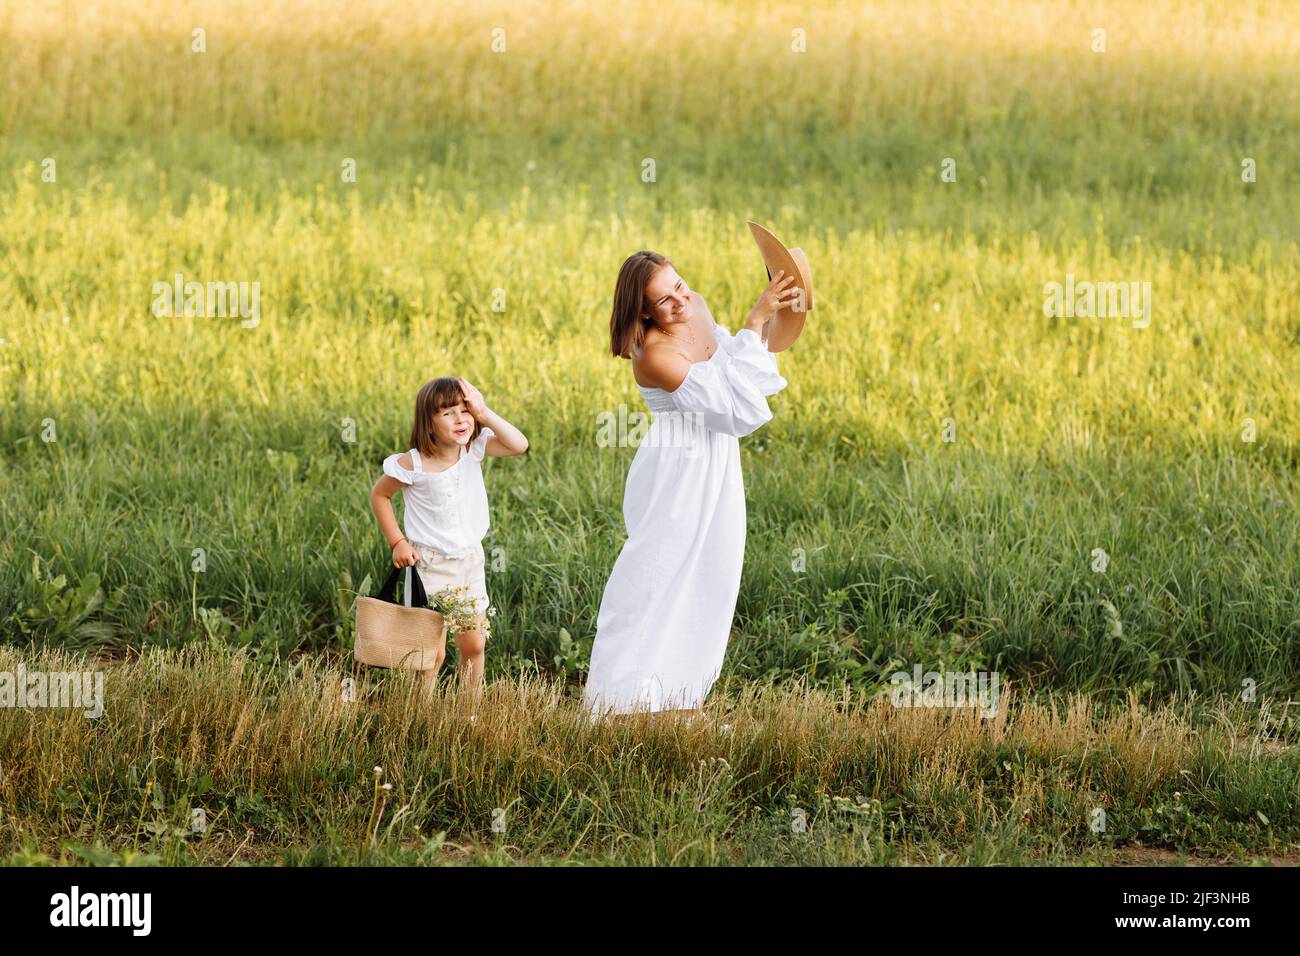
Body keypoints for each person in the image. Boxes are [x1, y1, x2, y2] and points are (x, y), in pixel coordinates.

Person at [583, 251, 798, 719]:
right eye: (665, 300)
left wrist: (768, 321)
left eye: (680, 286)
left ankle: (676, 694)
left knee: (710, 572)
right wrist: (754, 320)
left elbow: (730, 371)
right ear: (643, 312)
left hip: (717, 462)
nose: (681, 301)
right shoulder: (655, 355)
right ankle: (618, 699)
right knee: (655, 574)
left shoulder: (694, 302)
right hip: (678, 469)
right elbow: (730, 407)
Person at [370, 376, 528, 697]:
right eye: (447, 413)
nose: (460, 419)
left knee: (474, 643)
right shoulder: (411, 464)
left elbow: (518, 445)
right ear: (428, 423)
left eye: (464, 410)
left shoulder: (472, 449)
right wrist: (397, 542)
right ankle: (422, 715)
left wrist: (483, 412)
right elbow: (379, 496)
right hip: (428, 566)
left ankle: (469, 710)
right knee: (432, 653)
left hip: (469, 562)